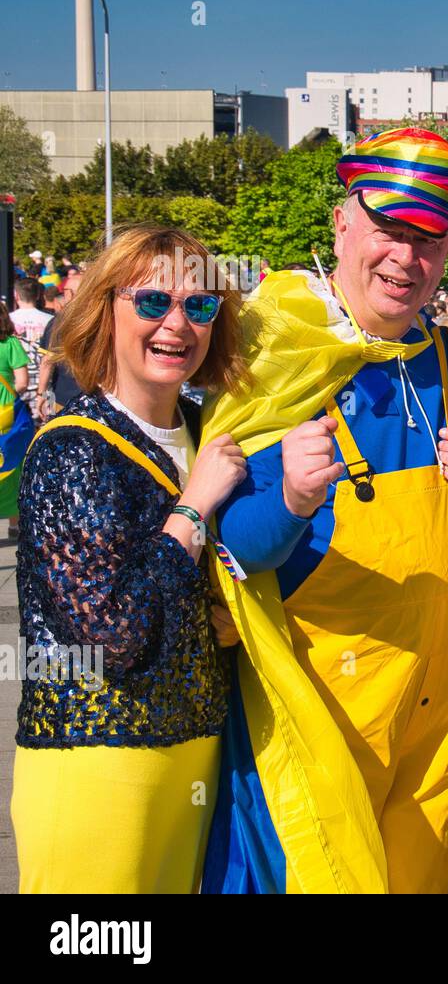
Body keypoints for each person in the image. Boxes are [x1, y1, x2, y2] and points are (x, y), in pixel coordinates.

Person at [200, 127, 448, 894]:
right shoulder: (271, 345)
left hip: (432, 725)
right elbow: (233, 549)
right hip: (322, 718)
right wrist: (292, 500)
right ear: (341, 223)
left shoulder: (447, 355)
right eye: (388, 230)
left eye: (430, 241)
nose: (406, 258)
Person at [10, 225, 247, 893]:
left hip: (197, 756)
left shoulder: (211, 434)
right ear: (103, 309)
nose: (177, 322)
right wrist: (191, 512)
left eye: (199, 306)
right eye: (151, 302)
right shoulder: (72, 448)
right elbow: (111, 634)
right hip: (96, 761)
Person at [36, 271, 86, 420]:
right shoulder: (105, 319)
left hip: (63, 399)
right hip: (99, 399)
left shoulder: (59, 323)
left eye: (64, 292)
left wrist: (41, 394)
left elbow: (48, 362)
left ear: (70, 294)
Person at [0, 301, 32, 531]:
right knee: (11, 463)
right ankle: (14, 522)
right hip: (7, 414)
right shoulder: (11, 344)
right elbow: (22, 382)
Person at [11, 277, 52, 411]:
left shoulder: (8, 320)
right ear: (38, 295)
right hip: (44, 384)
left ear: (16, 295)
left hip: (15, 383)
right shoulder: (50, 320)